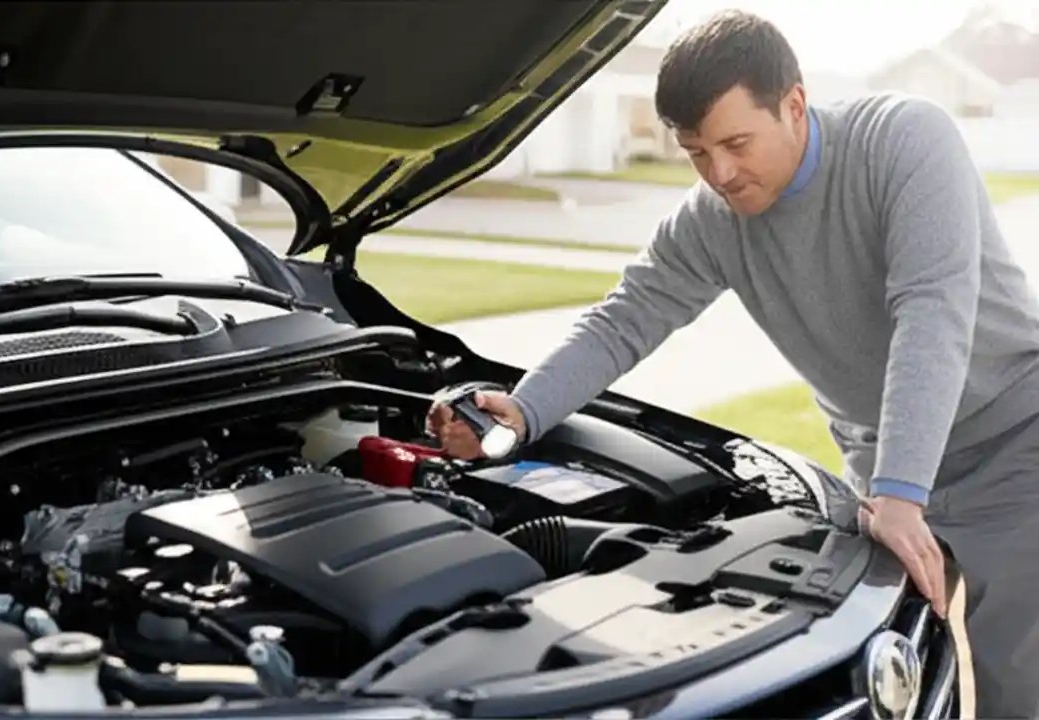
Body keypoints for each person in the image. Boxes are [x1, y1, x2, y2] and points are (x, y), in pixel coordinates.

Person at [427, 9, 1039, 718]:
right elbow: (625, 318)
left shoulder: (903, 139)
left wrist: (903, 492)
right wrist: (524, 409)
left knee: (1015, 680)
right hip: (878, 469)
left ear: (795, 105)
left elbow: (931, 312)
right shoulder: (710, 222)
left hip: (1011, 444)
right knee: (876, 672)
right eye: (696, 153)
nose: (719, 173)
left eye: (736, 143)